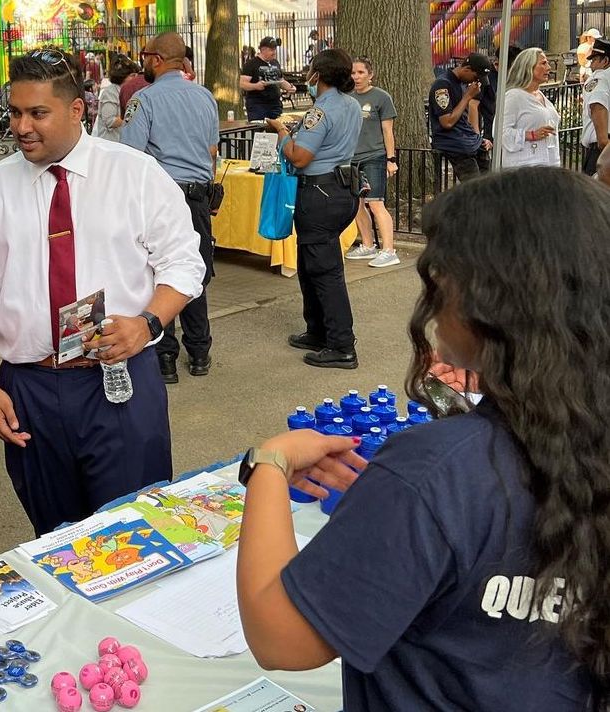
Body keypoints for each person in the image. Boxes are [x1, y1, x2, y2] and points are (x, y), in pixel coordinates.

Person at [235, 167, 603, 709]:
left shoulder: (437, 473)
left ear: (490, 300)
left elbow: (280, 638)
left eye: (440, 276)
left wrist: (268, 464)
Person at [0, 49, 204, 537]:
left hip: (119, 382)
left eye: (37, 113)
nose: (22, 126)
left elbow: (184, 263)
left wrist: (148, 323)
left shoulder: (135, 174)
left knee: (134, 535)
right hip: (31, 389)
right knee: (57, 541)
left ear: (75, 110)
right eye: (15, 111)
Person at [121, 32, 219, 384]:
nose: (144, 61)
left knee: (159, 276)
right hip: (197, 197)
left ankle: (165, 358)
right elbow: (211, 152)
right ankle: (200, 353)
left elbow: (130, 157)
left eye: (146, 56)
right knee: (194, 272)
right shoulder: (205, 96)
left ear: (157, 59)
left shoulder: (143, 100)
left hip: (161, 199)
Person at [266, 49, 361, 370]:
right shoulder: (350, 104)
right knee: (310, 264)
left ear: (317, 75)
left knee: (324, 271)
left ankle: (341, 345)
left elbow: (300, 157)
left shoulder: (321, 111)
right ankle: (318, 331)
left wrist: (281, 133)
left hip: (319, 192)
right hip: (341, 188)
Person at [345, 56, 399, 268]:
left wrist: (390, 159)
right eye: (353, 73)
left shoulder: (381, 98)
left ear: (370, 75)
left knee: (375, 203)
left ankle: (389, 250)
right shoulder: (347, 98)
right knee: (358, 204)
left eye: (360, 73)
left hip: (374, 156)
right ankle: (368, 245)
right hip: (352, 158)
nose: (356, 77)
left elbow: (388, 130)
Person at [428, 53, 494, 182]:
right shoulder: (442, 85)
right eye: (475, 77)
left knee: (488, 182)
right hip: (453, 142)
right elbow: (447, 122)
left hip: (466, 138)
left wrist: (478, 139)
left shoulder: (463, 84)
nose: (476, 81)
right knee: (475, 188)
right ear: (467, 69)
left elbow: (464, 118)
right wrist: (468, 97)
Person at [499, 48, 560, 168]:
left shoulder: (540, 95)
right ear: (528, 67)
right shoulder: (513, 96)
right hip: (524, 169)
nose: (549, 68)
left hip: (548, 166)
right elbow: (500, 132)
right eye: (543, 63)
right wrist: (530, 135)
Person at [240, 37, 295, 121]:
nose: (274, 52)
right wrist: (256, 86)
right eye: (271, 50)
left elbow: (280, 80)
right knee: (260, 132)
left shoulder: (275, 63)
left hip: (275, 105)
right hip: (258, 106)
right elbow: (242, 83)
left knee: (277, 131)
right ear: (263, 49)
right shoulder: (251, 64)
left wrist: (290, 87)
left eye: (274, 49)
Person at [582, 38, 610, 176]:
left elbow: (598, 106)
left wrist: (604, 144)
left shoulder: (599, 78)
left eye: (594, 60)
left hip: (602, 152)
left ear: (605, 61)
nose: (591, 64)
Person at [92, 58, 136, 142]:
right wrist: (132, 114)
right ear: (123, 76)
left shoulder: (129, 91)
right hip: (110, 144)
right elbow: (110, 121)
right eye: (132, 76)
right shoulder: (110, 93)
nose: (135, 78)